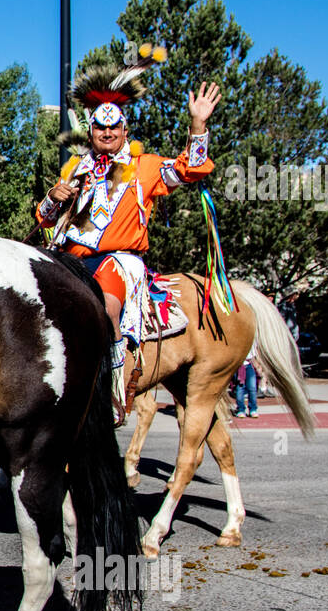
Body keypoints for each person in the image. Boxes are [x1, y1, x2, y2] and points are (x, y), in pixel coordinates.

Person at [37, 56, 221, 422]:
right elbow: (45, 219)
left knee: (105, 306)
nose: (107, 134)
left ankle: (114, 385)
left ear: (124, 130)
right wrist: (51, 199)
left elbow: (189, 169)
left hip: (118, 261)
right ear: (91, 132)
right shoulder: (76, 168)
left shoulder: (146, 167)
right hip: (69, 257)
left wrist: (198, 124)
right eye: (100, 130)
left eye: (114, 128)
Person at [233, 339, 259, 418]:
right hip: (239, 366)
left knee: (252, 388)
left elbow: (254, 355)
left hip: (248, 365)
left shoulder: (252, 339)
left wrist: (257, 367)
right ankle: (241, 409)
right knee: (240, 389)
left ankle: (253, 409)